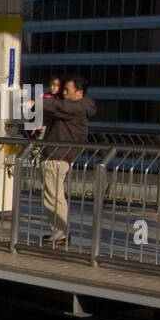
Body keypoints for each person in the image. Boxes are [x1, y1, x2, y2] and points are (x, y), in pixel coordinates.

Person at [37, 75, 96, 247]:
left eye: (66, 90)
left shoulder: (76, 107)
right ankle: (58, 232)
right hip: (58, 154)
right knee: (54, 195)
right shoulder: (77, 107)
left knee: (54, 196)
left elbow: (58, 106)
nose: (63, 93)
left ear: (79, 92)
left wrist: (38, 101)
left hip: (58, 155)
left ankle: (60, 234)